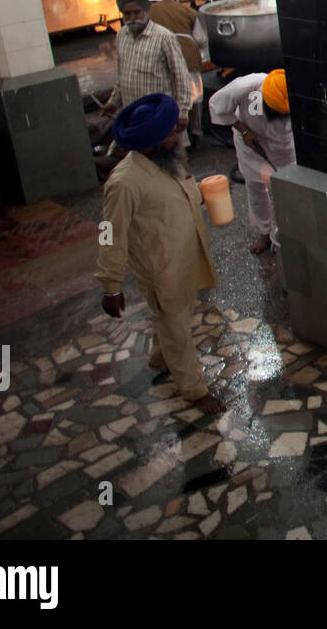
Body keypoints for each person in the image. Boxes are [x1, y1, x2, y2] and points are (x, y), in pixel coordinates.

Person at [96, 93, 226, 414]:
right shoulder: (125, 183)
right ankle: (194, 391)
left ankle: (158, 356)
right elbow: (110, 234)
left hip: (185, 257)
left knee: (173, 319)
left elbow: (181, 196)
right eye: (171, 134)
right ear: (151, 143)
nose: (178, 136)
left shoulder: (167, 163)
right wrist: (110, 287)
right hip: (161, 269)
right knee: (177, 329)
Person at [208, 68, 296, 255]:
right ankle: (265, 231)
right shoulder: (245, 86)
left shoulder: (298, 89)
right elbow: (217, 106)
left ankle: (288, 233)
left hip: (285, 148)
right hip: (252, 147)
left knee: (288, 191)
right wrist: (244, 131)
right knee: (256, 189)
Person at [101, 0, 192, 159]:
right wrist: (113, 101)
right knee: (143, 165)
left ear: (146, 11)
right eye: (127, 13)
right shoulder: (122, 36)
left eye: (136, 12)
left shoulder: (164, 37)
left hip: (159, 118)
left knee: (171, 163)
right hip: (134, 118)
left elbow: (181, 76)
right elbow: (122, 74)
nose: (132, 17)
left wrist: (183, 111)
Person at [145, 0, 207, 150]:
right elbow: (201, 40)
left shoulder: (149, 12)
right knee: (195, 98)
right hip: (189, 57)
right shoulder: (188, 11)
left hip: (163, 60)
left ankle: (181, 142)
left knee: (173, 100)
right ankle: (197, 134)